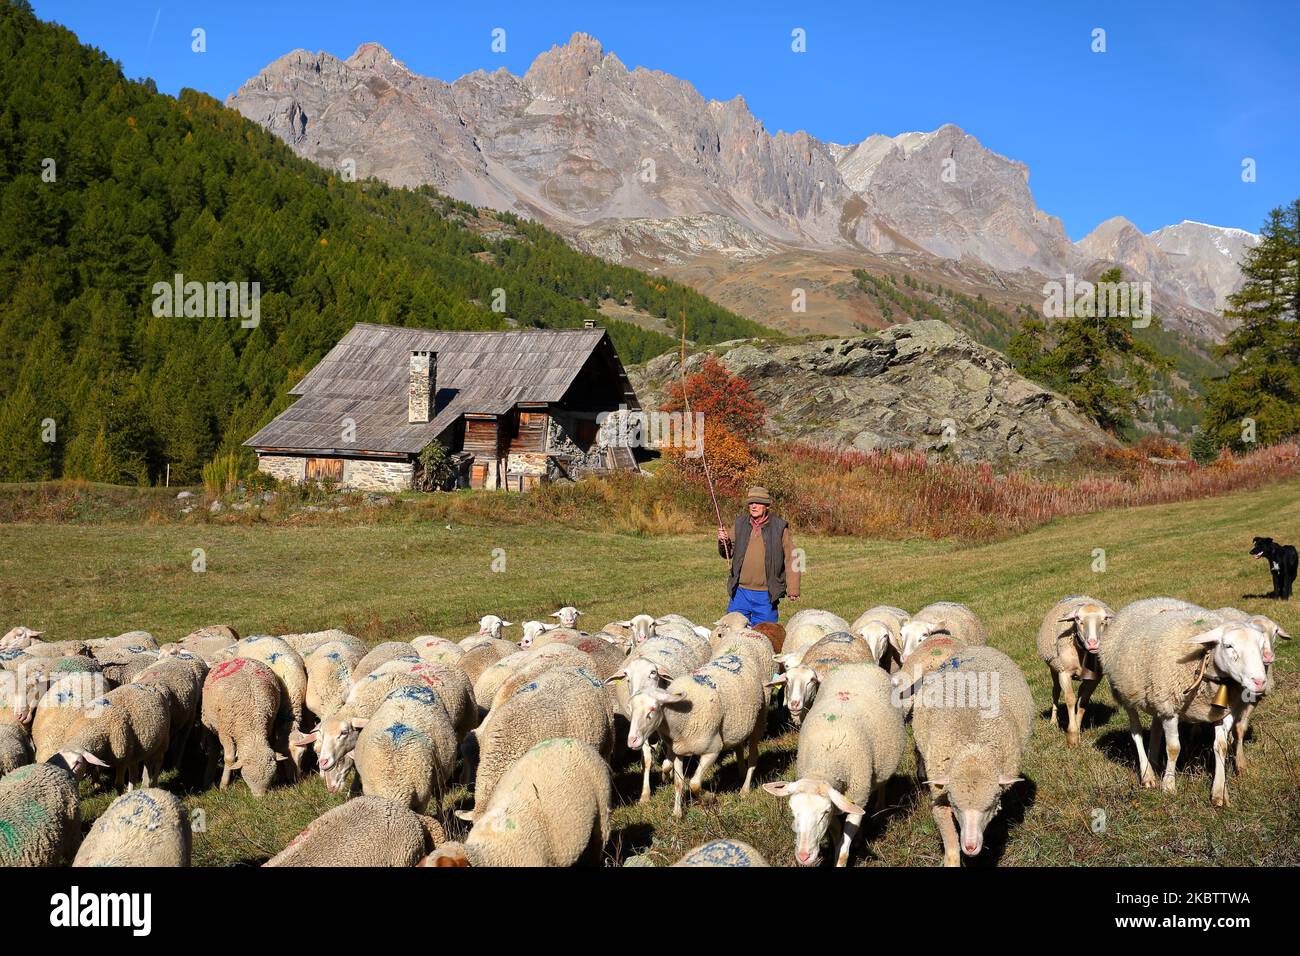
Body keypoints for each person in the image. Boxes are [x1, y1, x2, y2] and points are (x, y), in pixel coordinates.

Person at [717, 486, 800, 625]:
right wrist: (722, 541)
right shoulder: (739, 523)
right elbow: (727, 553)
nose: (753, 506)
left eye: (758, 503)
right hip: (740, 593)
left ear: (767, 506)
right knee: (731, 634)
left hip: (766, 595)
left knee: (764, 637)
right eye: (751, 503)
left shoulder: (779, 527)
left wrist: (794, 588)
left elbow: (793, 556)